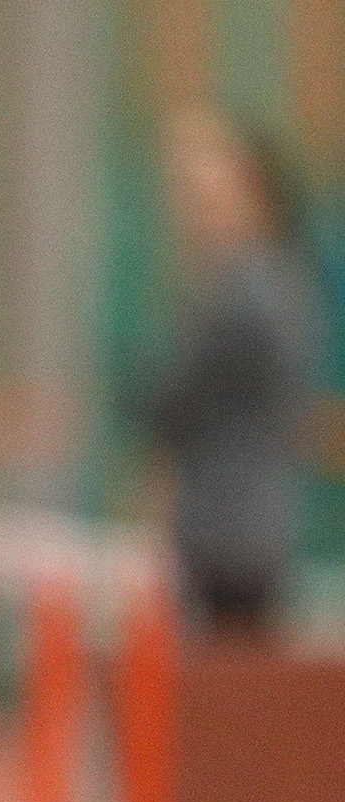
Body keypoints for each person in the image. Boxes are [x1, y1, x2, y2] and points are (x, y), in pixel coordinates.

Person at [153, 105, 322, 634]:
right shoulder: (266, 285)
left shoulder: (244, 292)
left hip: (230, 530)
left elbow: (170, 402)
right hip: (243, 523)